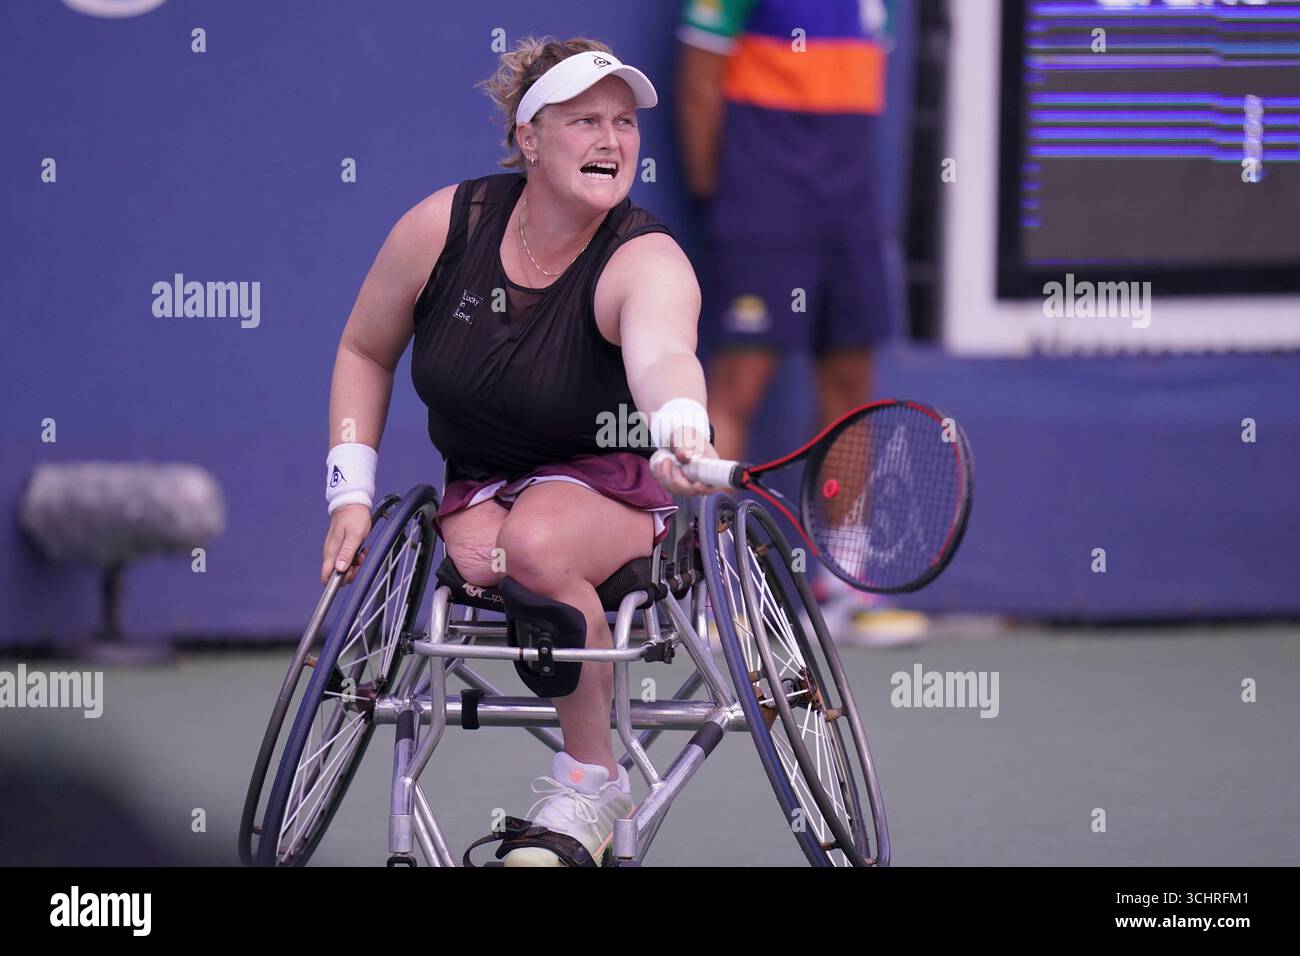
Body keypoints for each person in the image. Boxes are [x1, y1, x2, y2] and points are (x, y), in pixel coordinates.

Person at [318, 36, 720, 865]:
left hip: (609, 488)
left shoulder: (644, 258)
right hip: (480, 489)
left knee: (533, 542)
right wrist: (349, 494)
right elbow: (364, 350)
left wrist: (681, 420)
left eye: (624, 122)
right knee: (481, 549)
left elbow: (662, 352)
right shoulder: (446, 225)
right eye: (584, 121)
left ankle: (592, 783)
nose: (613, 141)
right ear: (530, 137)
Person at [676, 0, 926, 644]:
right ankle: (714, 591)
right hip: (762, 206)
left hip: (849, 208)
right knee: (738, 386)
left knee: (850, 383)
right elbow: (700, 87)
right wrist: (729, 202)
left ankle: (846, 586)